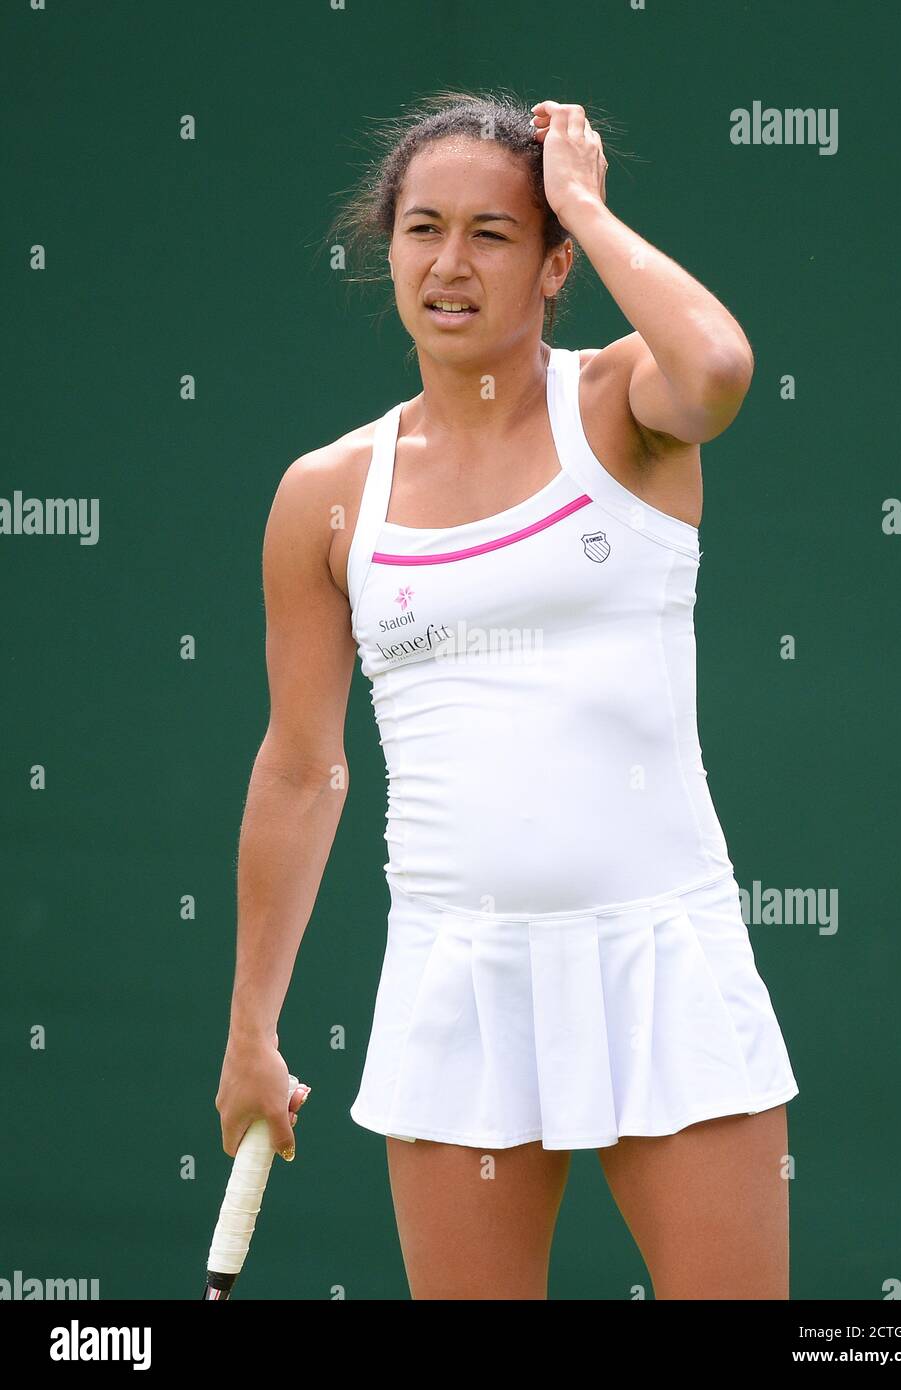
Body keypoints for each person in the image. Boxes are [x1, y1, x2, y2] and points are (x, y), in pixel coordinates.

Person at [216, 90, 799, 1300]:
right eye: (422, 227)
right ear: (385, 249)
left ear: (552, 265)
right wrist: (251, 1029)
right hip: (454, 980)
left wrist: (580, 191)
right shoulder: (325, 494)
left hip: (663, 957)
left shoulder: (622, 407)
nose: (449, 262)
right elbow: (300, 765)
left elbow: (721, 364)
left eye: (494, 232)